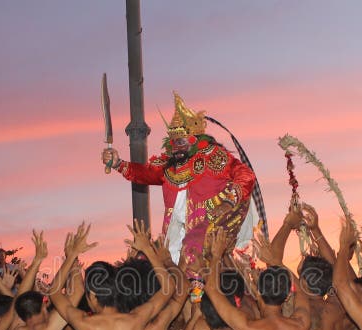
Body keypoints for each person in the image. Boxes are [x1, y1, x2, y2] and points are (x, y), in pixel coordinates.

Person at [102, 93, 258, 270]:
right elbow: (145, 173)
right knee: (155, 266)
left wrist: (229, 201)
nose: (176, 147)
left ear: (194, 139)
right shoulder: (168, 165)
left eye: (181, 141)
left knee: (197, 262)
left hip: (208, 230)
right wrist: (118, 163)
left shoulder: (211, 155)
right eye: (173, 142)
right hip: (174, 234)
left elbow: (245, 174)